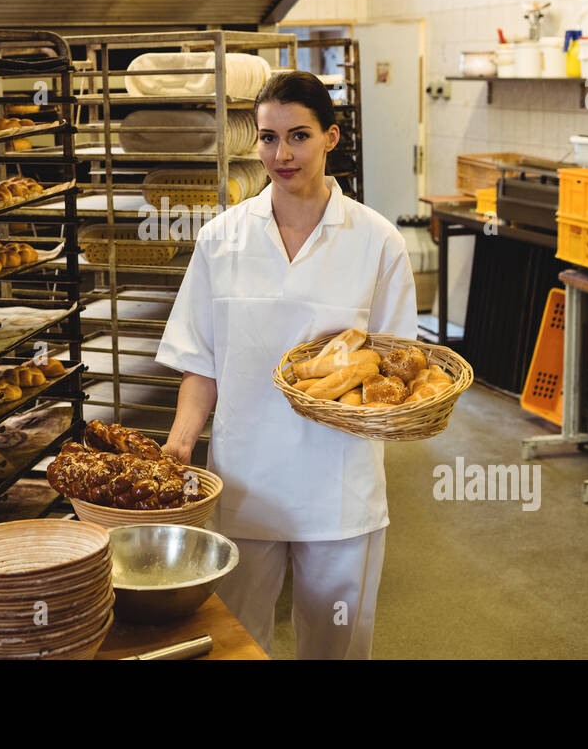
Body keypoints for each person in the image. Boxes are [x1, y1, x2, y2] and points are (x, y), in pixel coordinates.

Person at [155, 70, 418, 659]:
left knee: (336, 644)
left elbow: (401, 370)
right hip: (246, 483)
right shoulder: (221, 240)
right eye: (268, 138)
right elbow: (202, 362)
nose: (281, 154)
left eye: (298, 136)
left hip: (340, 486)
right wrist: (178, 447)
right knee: (235, 642)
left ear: (331, 136)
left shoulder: (377, 242)